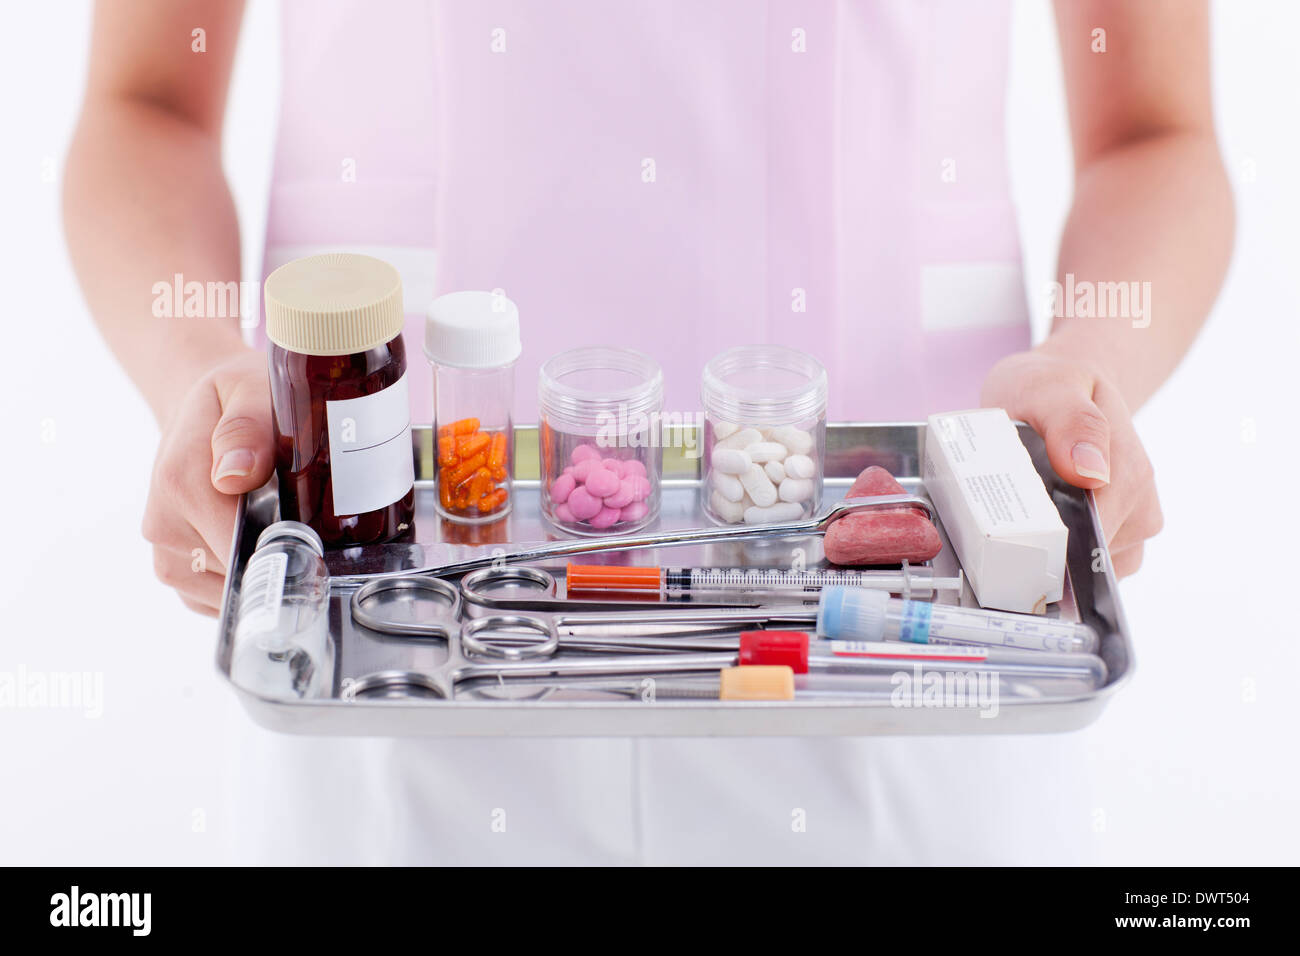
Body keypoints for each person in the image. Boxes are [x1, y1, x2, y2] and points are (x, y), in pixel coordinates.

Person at [64, 0, 1232, 864]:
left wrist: (1089, 365)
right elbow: (146, 101)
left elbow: (1153, 131)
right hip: (397, 648)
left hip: (914, 653)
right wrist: (199, 368)